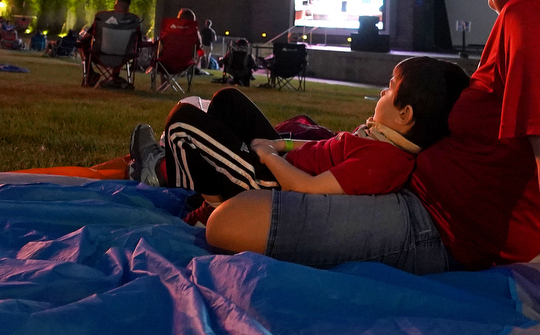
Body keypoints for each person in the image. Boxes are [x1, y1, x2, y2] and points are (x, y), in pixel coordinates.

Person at [206, 0, 540, 335]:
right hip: (423, 191)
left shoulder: (528, 18)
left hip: (438, 224)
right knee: (270, 127)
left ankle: (235, 165)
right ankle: (236, 151)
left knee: (228, 223)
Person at [131, 57, 469, 221]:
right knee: (226, 100)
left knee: (181, 122)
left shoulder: (384, 161)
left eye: (390, 88)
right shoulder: (380, 139)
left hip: (271, 186)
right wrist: (281, 144)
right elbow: (326, 147)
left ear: (405, 115)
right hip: (280, 164)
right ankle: (209, 195)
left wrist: (268, 157)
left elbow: (306, 190)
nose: (382, 91)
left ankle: (172, 177)